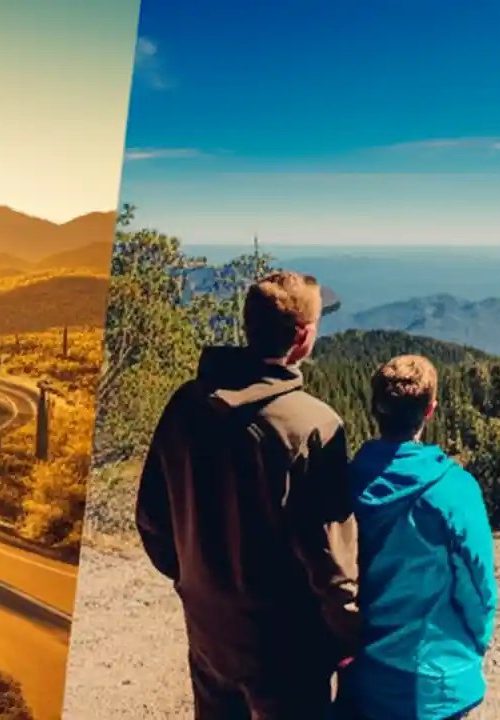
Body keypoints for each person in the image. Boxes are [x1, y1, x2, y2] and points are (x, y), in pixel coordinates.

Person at [136, 270, 359, 720]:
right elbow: (331, 560)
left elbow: (152, 520)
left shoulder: (185, 404)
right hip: (286, 650)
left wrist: (199, 584)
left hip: (210, 633)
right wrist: (351, 636)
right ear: (303, 338)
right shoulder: (312, 426)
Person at [340, 355, 498, 720]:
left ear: (375, 409)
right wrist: (476, 641)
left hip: (366, 672)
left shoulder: (345, 482)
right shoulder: (454, 490)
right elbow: (477, 584)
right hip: (434, 681)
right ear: (430, 410)